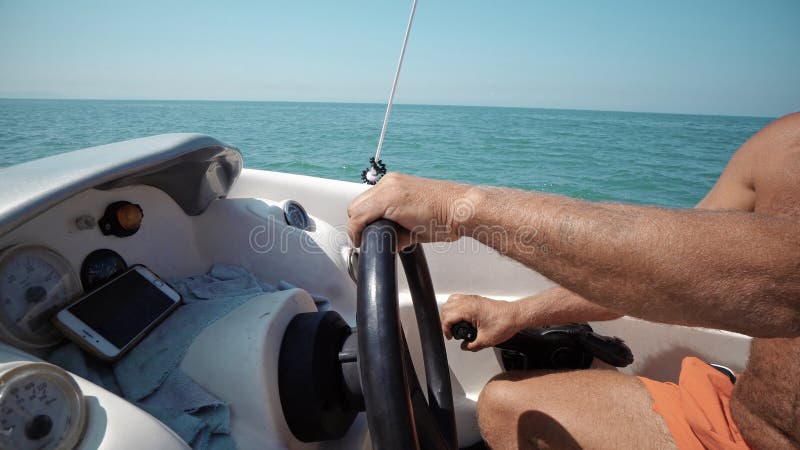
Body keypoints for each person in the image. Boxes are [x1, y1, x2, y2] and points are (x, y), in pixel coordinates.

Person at [347, 112, 800, 449]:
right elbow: (663, 276)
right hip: (732, 413)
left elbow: (780, 288)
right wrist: (516, 313)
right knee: (506, 405)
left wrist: (461, 208)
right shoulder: (780, 146)